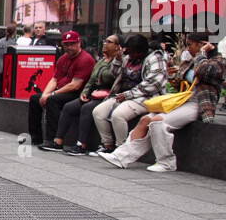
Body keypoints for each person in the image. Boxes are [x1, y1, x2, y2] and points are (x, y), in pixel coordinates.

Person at [100, 40, 223, 172]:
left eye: (190, 44)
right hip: (180, 100)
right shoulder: (193, 59)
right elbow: (179, 76)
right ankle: (121, 156)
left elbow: (203, 72)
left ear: (201, 44)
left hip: (199, 103)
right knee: (145, 120)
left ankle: (167, 162)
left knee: (157, 121)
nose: (187, 48)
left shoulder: (218, 61)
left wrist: (201, 53)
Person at [91, 33, 167, 153]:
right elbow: (114, 74)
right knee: (98, 112)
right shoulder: (128, 58)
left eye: (131, 52)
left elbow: (153, 84)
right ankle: (107, 145)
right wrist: (118, 59)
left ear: (139, 52)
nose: (129, 55)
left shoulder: (155, 58)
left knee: (118, 115)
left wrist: (128, 95)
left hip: (146, 97)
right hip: (124, 95)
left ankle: (122, 149)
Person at [52, 34, 123, 156]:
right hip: (94, 92)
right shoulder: (101, 61)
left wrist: (116, 60)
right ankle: (58, 141)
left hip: (108, 94)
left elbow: (111, 77)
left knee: (87, 108)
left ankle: (82, 144)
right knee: (69, 107)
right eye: (105, 41)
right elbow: (91, 79)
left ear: (117, 46)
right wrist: (85, 92)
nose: (105, 43)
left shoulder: (119, 62)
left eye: (109, 42)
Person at [30, 31, 96, 148]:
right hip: (62, 90)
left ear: (79, 43)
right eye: (66, 44)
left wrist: (51, 94)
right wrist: (45, 94)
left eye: (72, 44)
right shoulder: (63, 58)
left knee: (53, 100)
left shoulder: (85, 59)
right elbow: (54, 79)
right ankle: (36, 137)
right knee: (35, 98)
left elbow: (75, 85)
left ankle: (53, 140)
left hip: (78, 93)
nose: (69, 47)